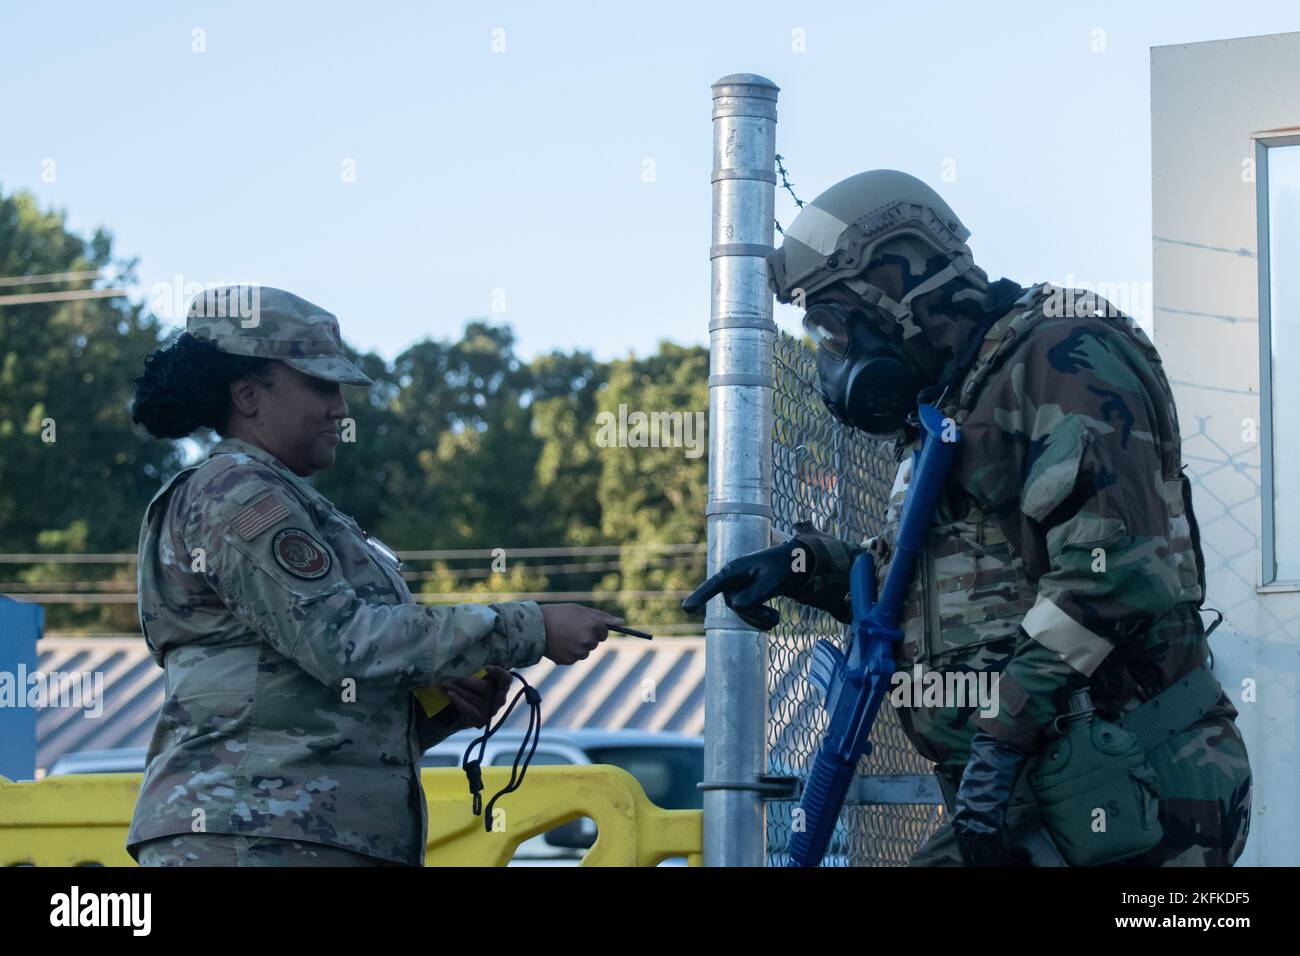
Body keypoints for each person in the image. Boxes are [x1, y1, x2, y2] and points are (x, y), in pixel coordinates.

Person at [684, 170, 1252, 866]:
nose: (834, 357)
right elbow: (927, 588)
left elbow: (1114, 573)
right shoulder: (957, 396)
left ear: (894, 290)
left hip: (1135, 789)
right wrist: (804, 566)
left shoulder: (1061, 352)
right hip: (1039, 791)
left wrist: (998, 739)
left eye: (835, 326)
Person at [127, 285, 620, 867]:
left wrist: (443, 709)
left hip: (289, 833)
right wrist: (529, 626)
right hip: (252, 834)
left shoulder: (276, 496)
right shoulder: (235, 491)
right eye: (320, 385)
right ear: (248, 394)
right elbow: (342, 639)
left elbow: (315, 703)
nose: (340, 407)